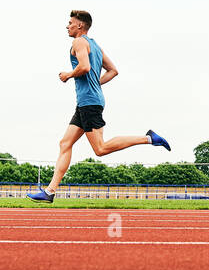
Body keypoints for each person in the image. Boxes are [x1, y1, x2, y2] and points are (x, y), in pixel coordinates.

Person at [27, 10, 170, 203]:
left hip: (89, 103)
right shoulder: (95, 45)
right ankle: (50, 192)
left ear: (80, 25)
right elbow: (113, 71)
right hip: (87, 102)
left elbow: (84, 67)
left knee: (100, 149)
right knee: (65, 143)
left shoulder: (78, 42)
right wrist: (95, 83)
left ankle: (149, 138)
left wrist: (68, 75)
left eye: (70, 23)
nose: (67, 26)